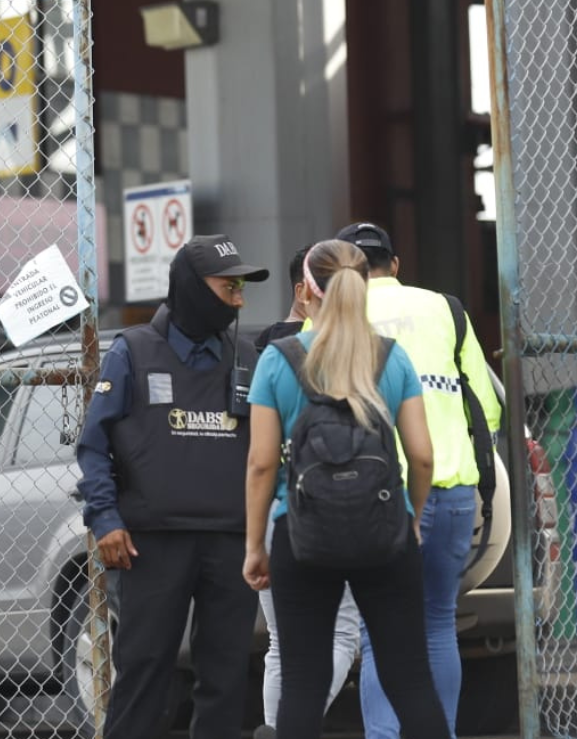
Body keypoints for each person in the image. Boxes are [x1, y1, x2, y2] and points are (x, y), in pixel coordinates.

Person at [242, 239, 450, 739]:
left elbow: (261, 464)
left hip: (301, 532)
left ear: (306, 292)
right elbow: (422, 454)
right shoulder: (392, 358)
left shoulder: (279, 359)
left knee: (303, 683)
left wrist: (254, 545)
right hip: (386, 531)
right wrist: (412, 518)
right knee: (410, 680)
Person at [76, 234, 269, 739]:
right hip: (152, 543)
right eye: (229, 288)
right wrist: (105, 519)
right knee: (145, 672)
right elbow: (93, 447)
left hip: (231, 541)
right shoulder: (133, 352)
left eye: (241, 289)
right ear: (193, 287)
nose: (239, 301)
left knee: (227, 677)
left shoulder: (247, 356)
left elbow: (268, 449)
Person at [335, 222, 503, 739]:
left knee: (379, 630)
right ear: (395, 264)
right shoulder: (446, 310)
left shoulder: (338, 314)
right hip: (453, 491)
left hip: (378, 494)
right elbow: (487, 408)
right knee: (437, 625)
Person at [252, 244, 361, 739]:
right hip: (350, 508)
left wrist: (252, 539)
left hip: (282, 510)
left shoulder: (269, 353)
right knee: (341, 633)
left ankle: (281, 729)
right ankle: (294, 729)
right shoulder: (367, 350)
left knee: (282, 642)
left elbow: (259, 458)